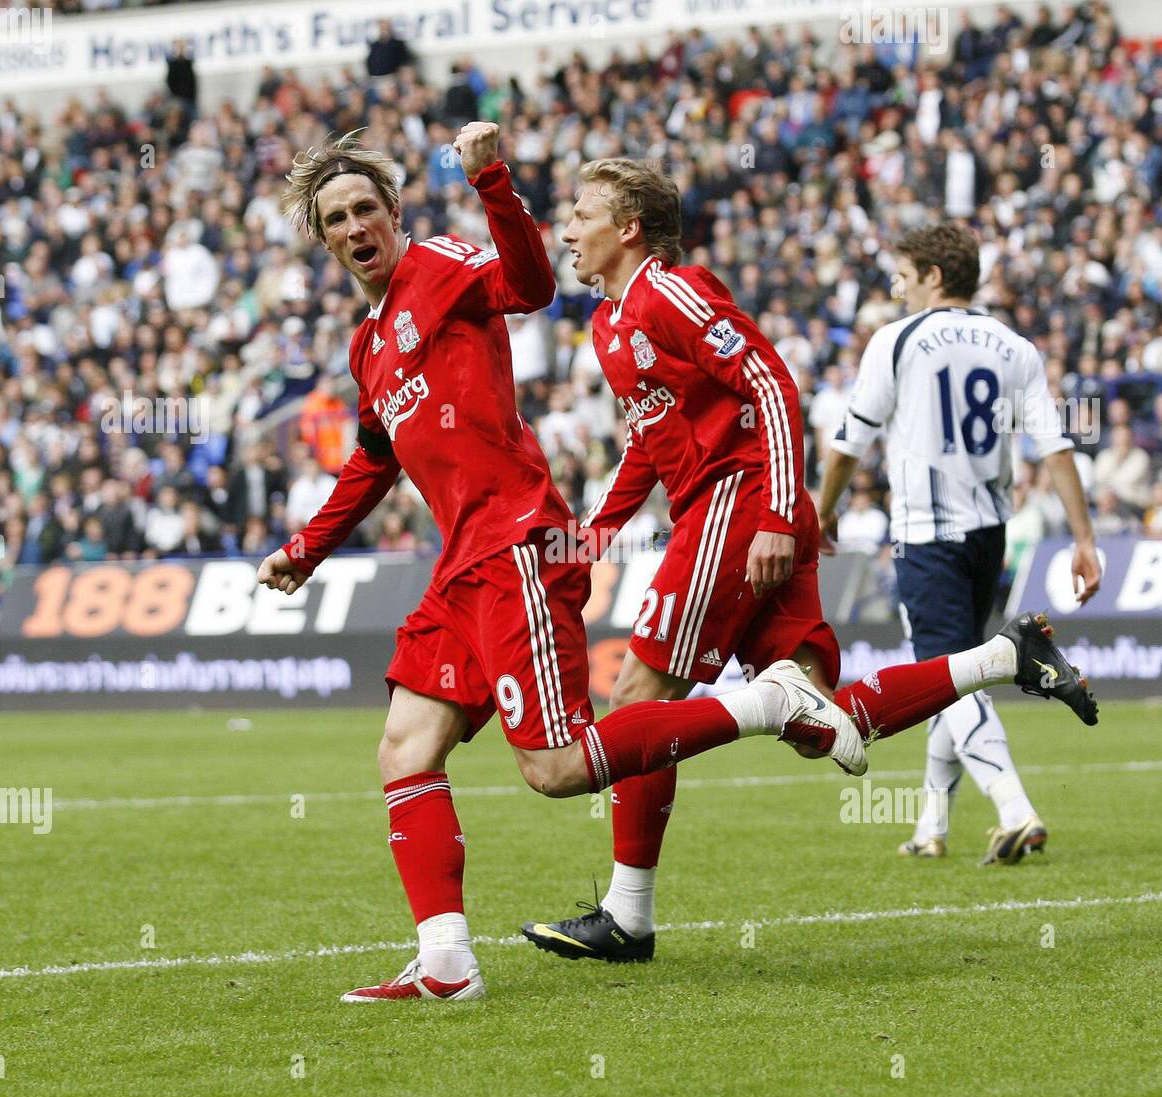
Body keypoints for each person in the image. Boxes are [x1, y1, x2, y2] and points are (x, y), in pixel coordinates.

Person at [257, 125, 868, 1004]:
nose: (357, 225)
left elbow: (532, 284)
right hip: (457, 565)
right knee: (403, 747)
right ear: (324, 241)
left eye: (366, 208)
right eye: (337, 219)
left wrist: (494, 183)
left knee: (556, 769)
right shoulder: (369, 345)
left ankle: (766, 700)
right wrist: (306, 549)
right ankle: (445, 964)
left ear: (393, 214)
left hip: (514, 544)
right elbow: (373, 460)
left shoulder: (442, 262)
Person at [520, 162, 1098, 966]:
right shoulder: (612, 325)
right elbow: (648, 447)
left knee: (639, 695)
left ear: (628, 229)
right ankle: (1006, 655)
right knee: (821, 719)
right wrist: (595, 536)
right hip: (749, 510)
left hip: (740, 503)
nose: (566, 231)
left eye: (580, 215)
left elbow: (770, 381)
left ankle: (629, 915)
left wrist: (777, 511)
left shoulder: (671, 292)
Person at [819, 223, 1101, 866]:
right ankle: (931, 824)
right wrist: (1084, 538)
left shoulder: (897, 341)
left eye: (904, 273)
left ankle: (1015, 810)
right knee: (952, 676)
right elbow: (1054, 448)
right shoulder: (1014, 346)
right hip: (988, 536)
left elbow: (848, 443)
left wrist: (824, 512)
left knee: (948, 680)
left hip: (927, 537)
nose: (895, 285)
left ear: (934, 277)